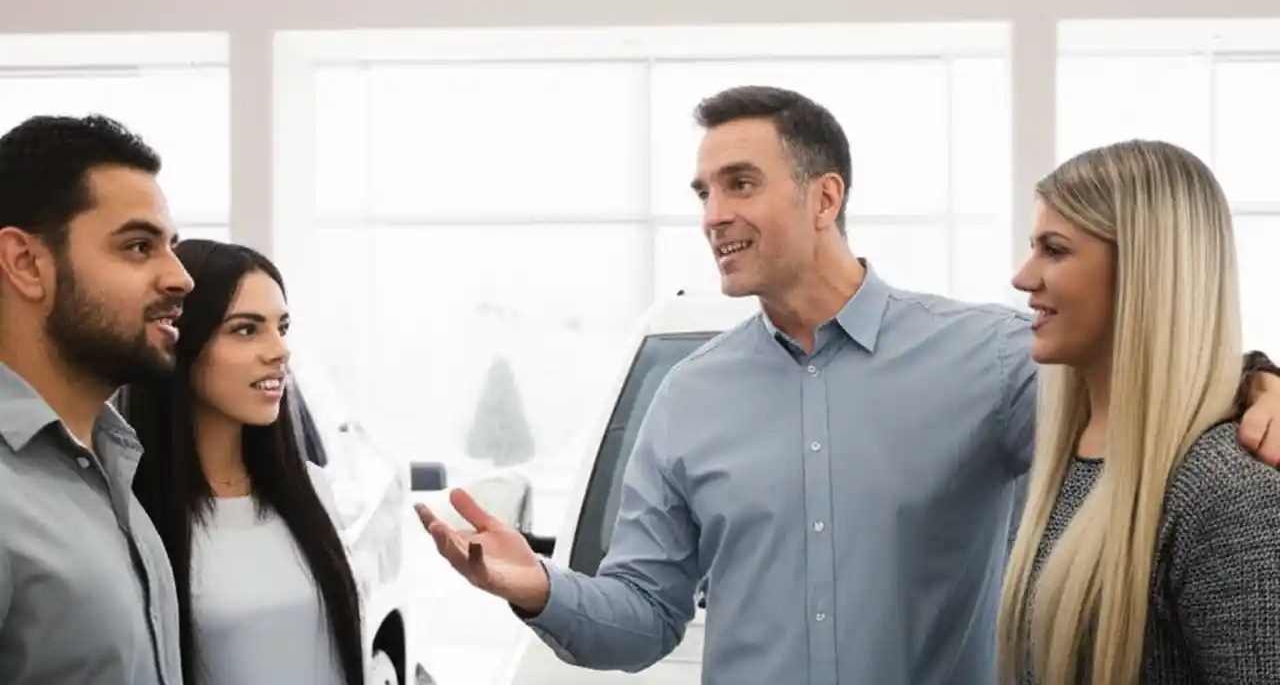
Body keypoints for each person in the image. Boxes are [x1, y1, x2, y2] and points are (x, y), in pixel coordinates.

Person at [416, 86, 1280, 685]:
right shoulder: (687, 398)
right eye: (703, 190)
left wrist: (1258, 382)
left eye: (741, 183)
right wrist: (537, 585)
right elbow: (646, 615)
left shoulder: (990, 361)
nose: (712, 213)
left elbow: (1142, 381)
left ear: (824, 196)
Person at [998, 140, 1280, 684]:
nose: (1023, 278)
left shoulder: (1229, 495)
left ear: (1144, 270)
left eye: (1054, 250)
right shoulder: (1065, 456)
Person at [0, 114, 190, 684]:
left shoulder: (110, 459)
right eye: (139, 246)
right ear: (27, 264)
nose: (180, 277)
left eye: (171, 247)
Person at [121, 239, 364, 685]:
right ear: (181, 342)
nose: (279, 350)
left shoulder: (310, 487)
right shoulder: (128, 512)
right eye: (246, 329)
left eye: (282, 328)